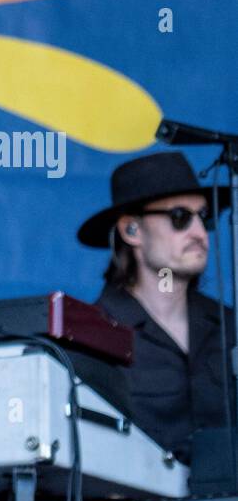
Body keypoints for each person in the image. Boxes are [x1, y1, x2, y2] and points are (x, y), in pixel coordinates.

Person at [78, 150, 234, 467]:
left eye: (204, 217)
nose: (200, 234)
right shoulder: (91, 339)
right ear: (132, 231)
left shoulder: (229, 326)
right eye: (180, 217)